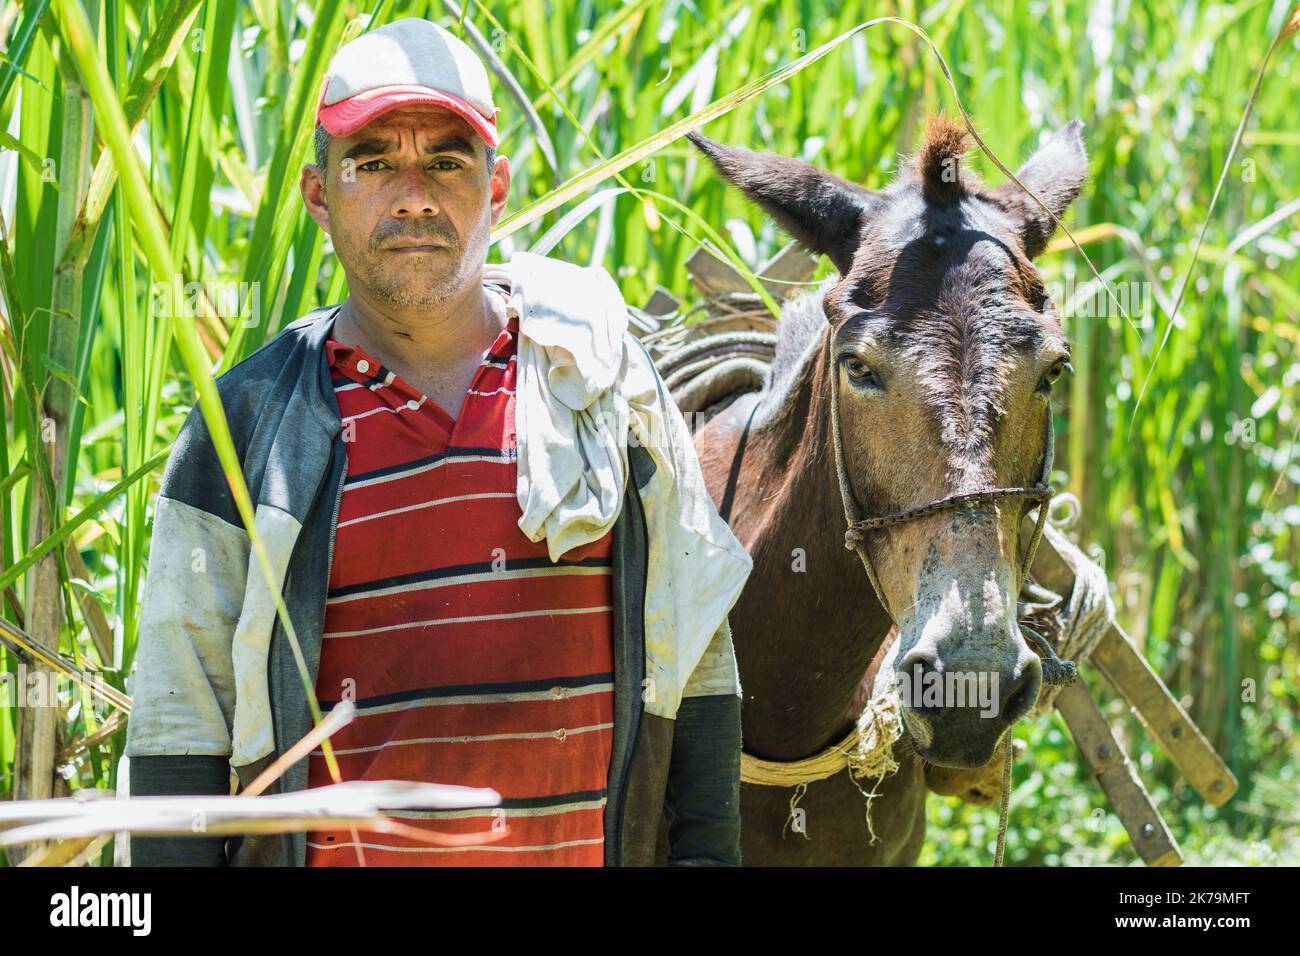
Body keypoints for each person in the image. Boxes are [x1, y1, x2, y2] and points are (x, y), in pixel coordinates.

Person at [124, 16, 752, 866]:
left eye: (446, 163)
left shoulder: (602, 388)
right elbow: (179, 721)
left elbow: (698, 656)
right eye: (374, 163)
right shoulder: (246, 431)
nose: (413, 194)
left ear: (494, 192)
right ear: (319, 194)